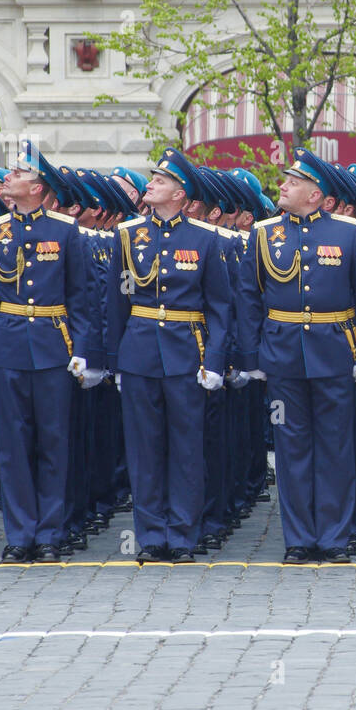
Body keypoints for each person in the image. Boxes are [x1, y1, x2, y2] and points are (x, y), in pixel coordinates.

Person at [236, 147, 356, 564]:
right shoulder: (264, 234)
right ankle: (299, 538)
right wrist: (252, 356)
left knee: (335, 448)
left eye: (293, 182)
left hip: (334, 352)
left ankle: (334, 537)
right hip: (281, 355)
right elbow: (248, 298)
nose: (283, 186)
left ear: (316, 195)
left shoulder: (349, 233)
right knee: (291, 448)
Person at [107, 149, 235, 563]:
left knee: (186, 449)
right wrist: (116, 360)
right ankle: (151, 537)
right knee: (144, 450)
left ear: (181, 195)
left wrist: (215, 361)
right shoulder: (127, 236)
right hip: (139, 352)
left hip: (187, 353)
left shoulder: (204, 239)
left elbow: (220, 306)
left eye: (161, 181)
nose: (151, 185)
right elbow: (115, 305)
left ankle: (182, 535)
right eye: (153, 179)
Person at [0, 142, 95, 564]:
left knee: (53, 441)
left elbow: (80, 296)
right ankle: (20, 533)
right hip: (8, 344)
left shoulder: (64, 231)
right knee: (13, 444)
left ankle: (50, 532)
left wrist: (82, 349)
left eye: (19, 173)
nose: (10, 177)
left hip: (52, 344)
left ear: (39, 188)